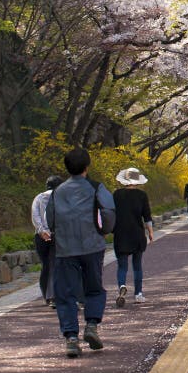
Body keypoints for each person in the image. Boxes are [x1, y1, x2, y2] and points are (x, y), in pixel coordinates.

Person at [46, 148, 116, 358]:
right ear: (87, 166)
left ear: (66, 168)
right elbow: (109, 211)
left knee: (65, 293)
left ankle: (71, 338)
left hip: (65, 248)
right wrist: (104, 230)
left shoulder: (58, 191)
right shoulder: (95, 187)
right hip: (92, 245)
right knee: (94, 288)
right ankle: (92, 325)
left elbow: (50, 218)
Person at [112, 167, 154, 306]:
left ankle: (122, 286)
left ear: (124, 180)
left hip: (120, 234)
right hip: (137, 233)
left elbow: (111, 213)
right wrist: (150, 232)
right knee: (137, 266)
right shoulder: (142, 195)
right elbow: (147, 216)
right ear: (137, 181)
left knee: (122, 266)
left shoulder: (116, 194)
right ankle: (138, 294)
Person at [32, 175, 63, 309]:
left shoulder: (39, 197)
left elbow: (35, 216)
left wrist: (41, 230)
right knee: (55, 264)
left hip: (41, 237)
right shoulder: (61, 197)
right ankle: (54, 296)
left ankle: (46, 295)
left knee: (45, 265)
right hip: (57, 234)